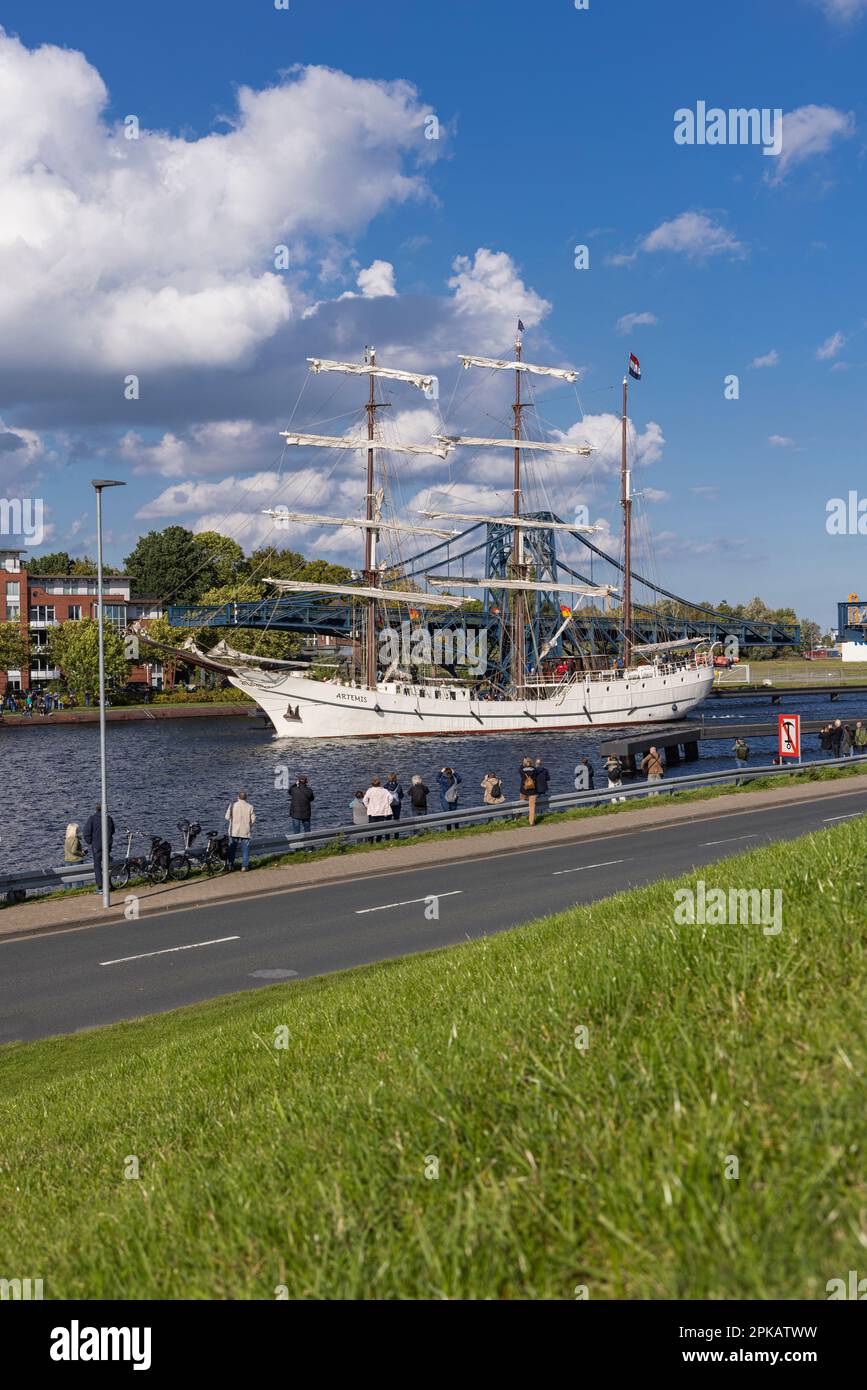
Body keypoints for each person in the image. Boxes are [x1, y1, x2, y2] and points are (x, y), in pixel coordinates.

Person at [83, 804, 115, 893]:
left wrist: (91, 842)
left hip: (97, 846)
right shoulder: (109, 818)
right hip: (107, 845)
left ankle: (100, 887)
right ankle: (108, 884)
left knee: (97, 866)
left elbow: (86, 833)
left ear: (96, 810)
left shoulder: (92, 819)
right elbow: (113, 831)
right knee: (106, 865)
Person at [225, 790, 256, 871]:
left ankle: (231, 865)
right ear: (246, 798)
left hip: (234, 831)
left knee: (232, 849)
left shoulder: (232, 805)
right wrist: (249, 825)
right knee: (245, 849)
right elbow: (253, 819)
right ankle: (244, 866)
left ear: (238, 797)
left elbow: (227, 817)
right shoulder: (250, 806)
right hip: (245, 831)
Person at [518, 757, 538, 825]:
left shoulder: (522, 769)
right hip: (533, 790)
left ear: (525, 763)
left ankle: (518, 818)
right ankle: (531, 821)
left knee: (520, 804)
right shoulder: (535, 769)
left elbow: (520, 770)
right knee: (532, 806)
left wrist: (522, 764)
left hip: (524, 790)